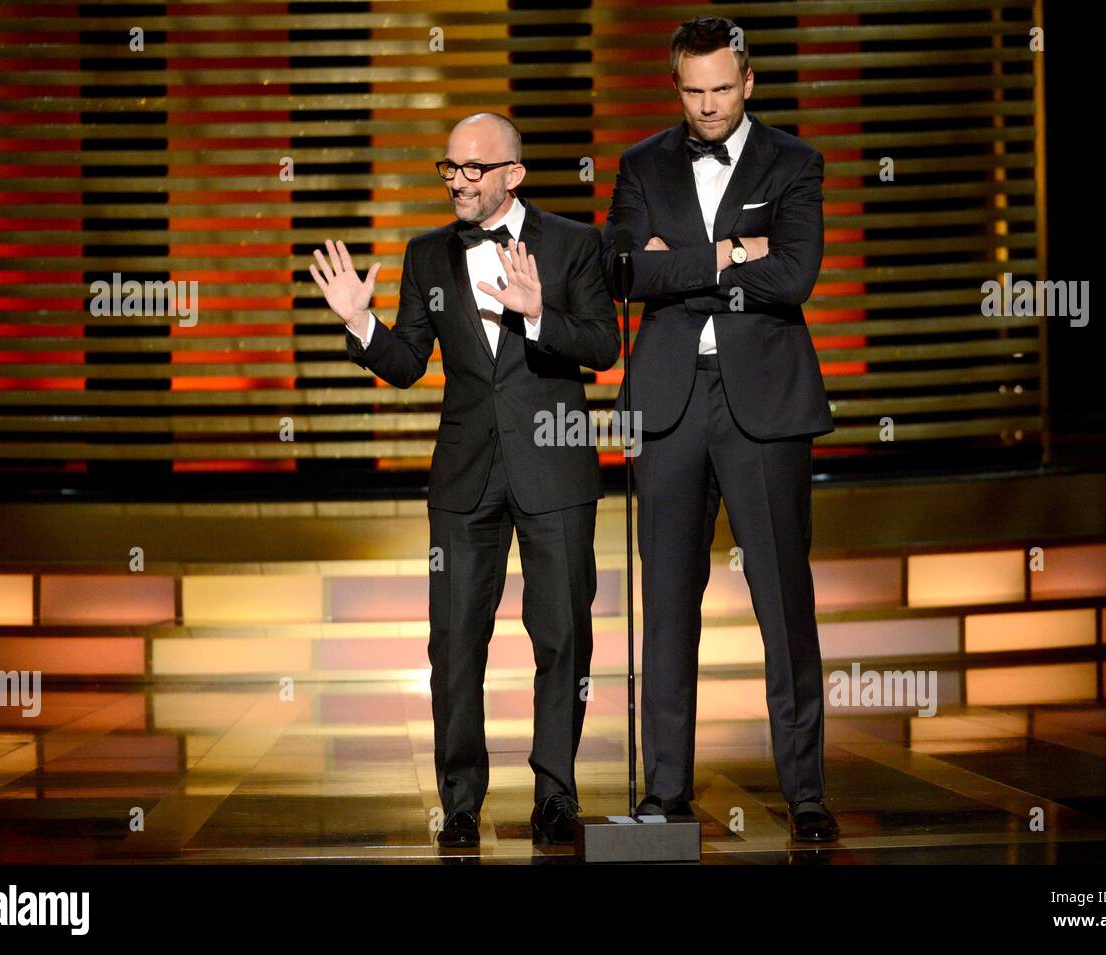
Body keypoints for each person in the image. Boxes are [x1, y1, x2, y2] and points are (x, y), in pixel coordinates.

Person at [309, 113, 620, 848]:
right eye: (449, 167)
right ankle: (459, 803)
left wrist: (542, 314)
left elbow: (604, 345)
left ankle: (556, 797)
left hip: (555, 466)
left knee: (562, 636)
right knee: (452, 642)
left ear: (514, 174)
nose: (457, 180)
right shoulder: (427, 256)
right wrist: (362, 326)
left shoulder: (574, 243)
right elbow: (411, 362)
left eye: (474, 169)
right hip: (464, 475)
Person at [601, 17, 839, 842]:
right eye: (692, 91)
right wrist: (732, 255)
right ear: (675, 86)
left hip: (764, 405)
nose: (707, 106)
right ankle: (665, 792)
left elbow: (795, 275)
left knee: (783, 601)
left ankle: (805, 792)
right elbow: (624, 271)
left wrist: (686, 262)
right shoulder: (640, 165)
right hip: (667, 403)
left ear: (749, 80)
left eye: (722, 89)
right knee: (666, 606)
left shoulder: (797, 163)